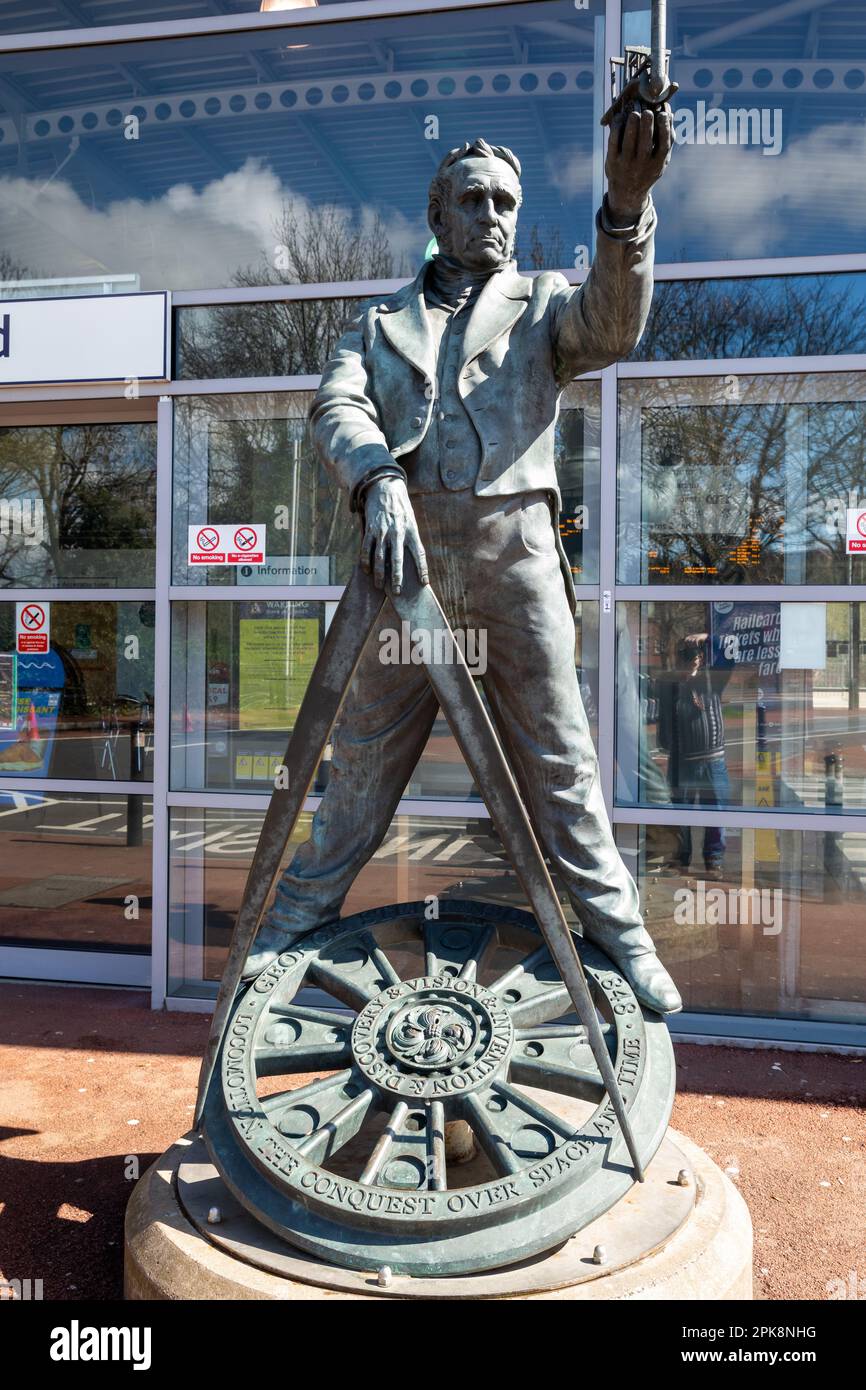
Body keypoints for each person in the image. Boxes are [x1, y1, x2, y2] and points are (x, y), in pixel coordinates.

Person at [244, 116, 682, 1013]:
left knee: (560, 762)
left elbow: (614, 326)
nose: (493, 215)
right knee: (362, 760)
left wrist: (627, 206)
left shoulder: (546, 303)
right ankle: (291, 922)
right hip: (401, 565)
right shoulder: (375, 324)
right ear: (437, 214)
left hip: (513, 559)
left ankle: (624, 939)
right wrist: (375, 478)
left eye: (507, 203)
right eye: (474, 199)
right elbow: (336, 407)